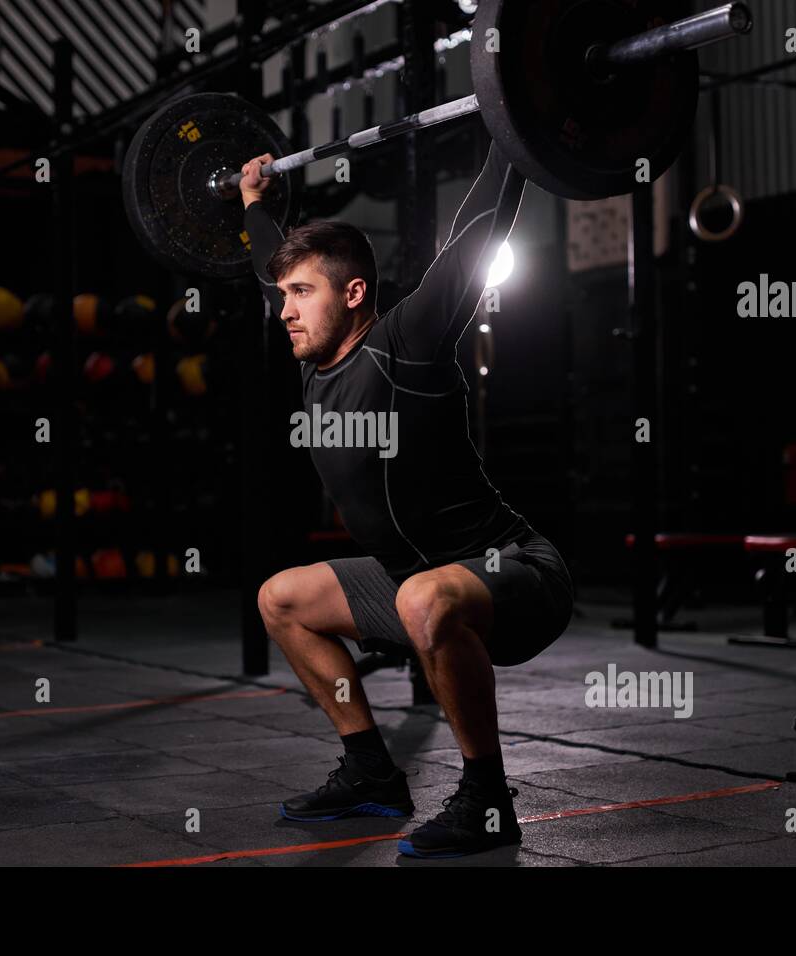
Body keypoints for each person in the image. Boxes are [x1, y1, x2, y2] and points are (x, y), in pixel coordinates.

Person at [241, 142, 573, 859]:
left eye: (301, 295)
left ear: (354, 294)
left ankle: (487, 798)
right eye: (283, 295)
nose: (285, 312)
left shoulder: (406, 340)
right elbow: (274, 255)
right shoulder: (319, 355)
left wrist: (511, 132)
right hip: (408, 578)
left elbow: (478, 232)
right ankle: (369, 769)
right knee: (282, 599)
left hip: (514, 572)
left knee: (425, 597)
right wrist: (254, 205)